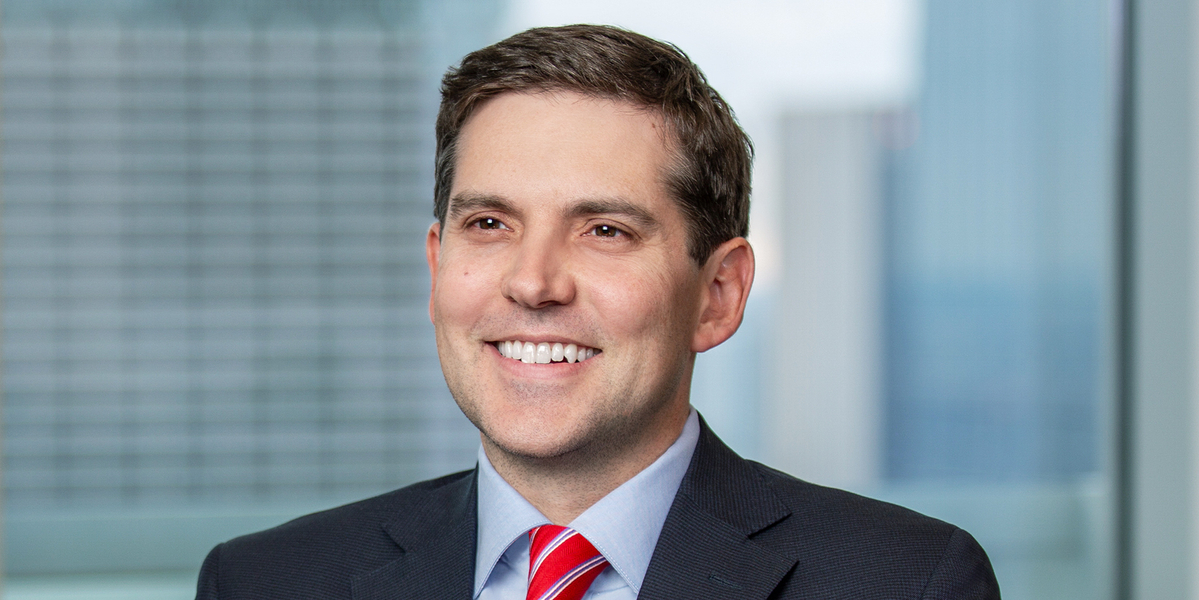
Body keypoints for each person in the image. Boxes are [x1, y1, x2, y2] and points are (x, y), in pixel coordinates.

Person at [195, 24, 1000, 600]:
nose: (533, 283)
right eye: (490, 224)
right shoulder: (264, 582)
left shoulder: (907, 582)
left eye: (604, 230)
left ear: (717, 295)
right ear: (438, 267)